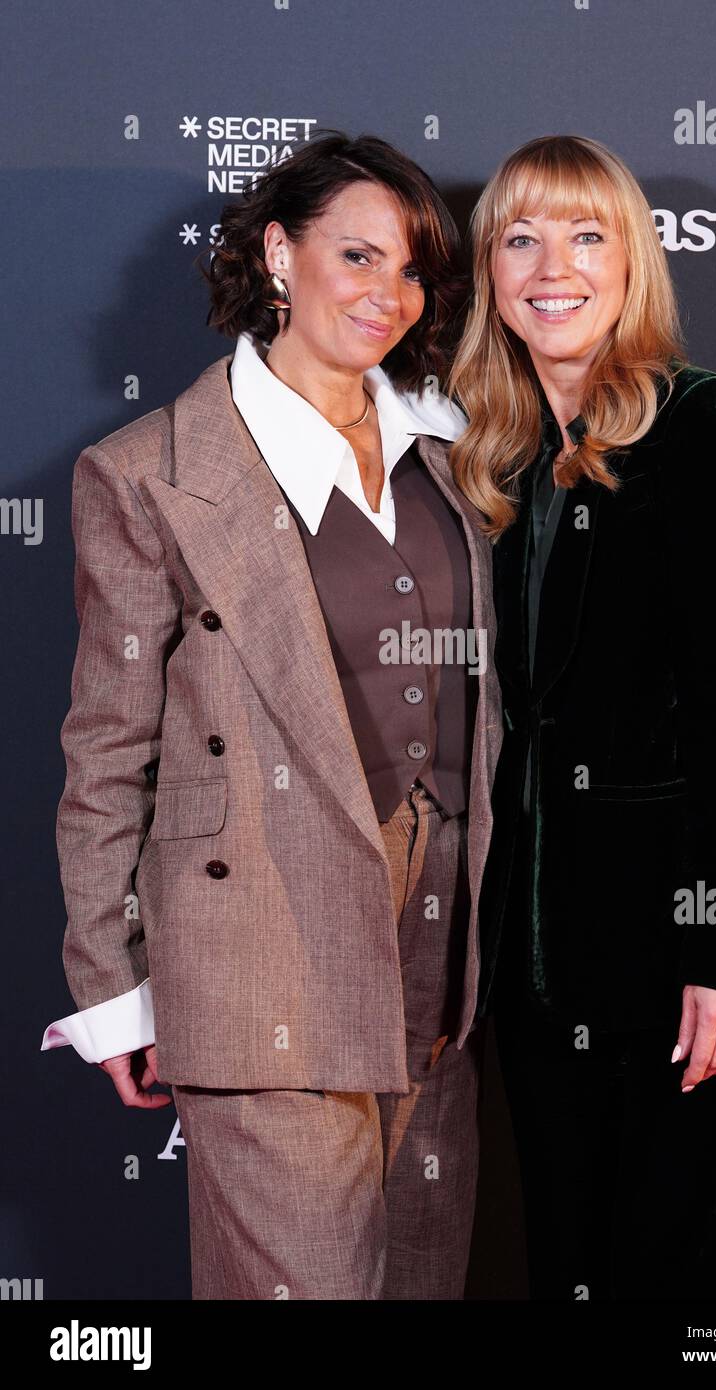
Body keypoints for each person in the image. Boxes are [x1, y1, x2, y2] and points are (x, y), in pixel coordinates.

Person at [41, 131, 502, 1300]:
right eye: (357, 256)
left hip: (437, 965)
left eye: (411, 273)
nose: (387, 296)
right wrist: (111, 982)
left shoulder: (440, 455)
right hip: (261, 959)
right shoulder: (147, 472)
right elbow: (108, 747)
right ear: (277, 252)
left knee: (422, 1283)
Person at [447, 133, 716, 1300]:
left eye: (586, 233)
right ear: (492, 273)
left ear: (632, 264)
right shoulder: (495, 461)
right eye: (520, 237)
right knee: (568, 1266)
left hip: (683, 952)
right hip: (547, 964)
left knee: (685, 1282)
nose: (551, 265)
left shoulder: (705, 429)